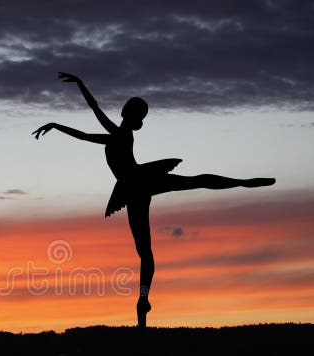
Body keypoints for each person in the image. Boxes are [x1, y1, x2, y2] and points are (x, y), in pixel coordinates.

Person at [32, 72, 275, 328]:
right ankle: (143, 300)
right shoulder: (119, 132)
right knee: (150, 244)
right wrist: (79, 85)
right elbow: (95, 109)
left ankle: (243, 182)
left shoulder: (119, 136)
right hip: (134, 187)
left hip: (137, 182)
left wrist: (57, 124)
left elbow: (85, 133)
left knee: (161, 229)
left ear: (128, 113)